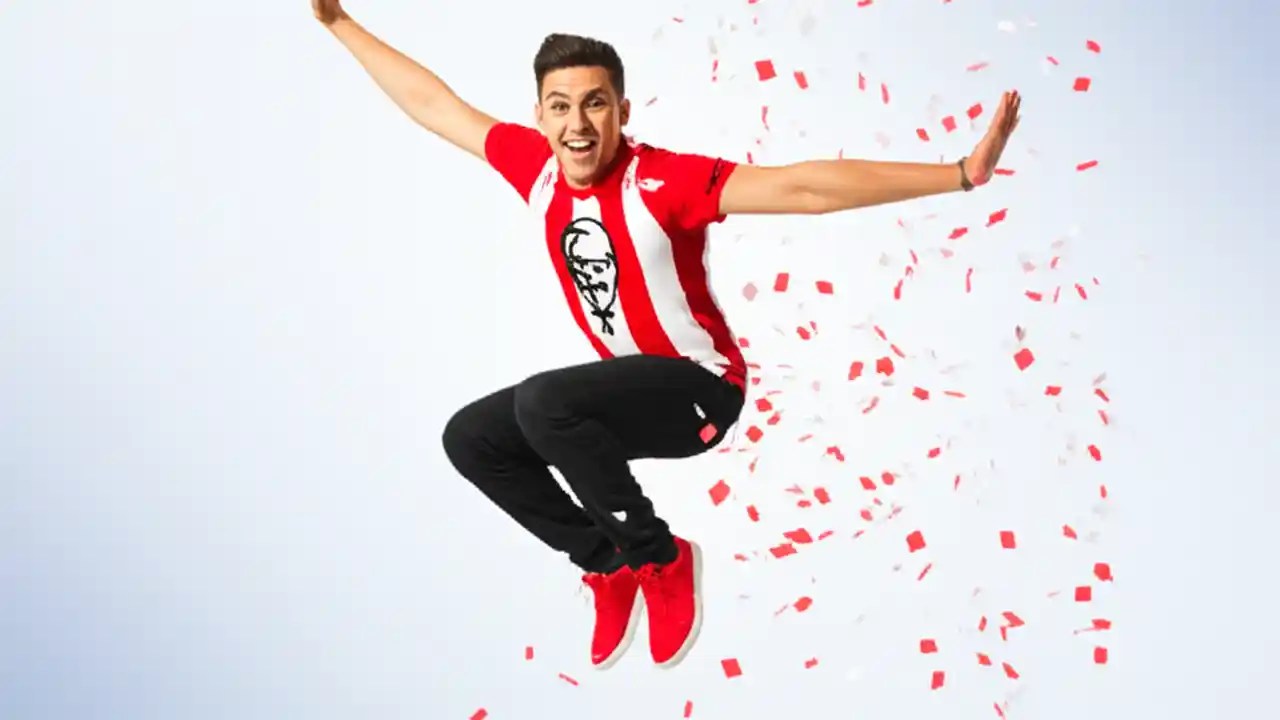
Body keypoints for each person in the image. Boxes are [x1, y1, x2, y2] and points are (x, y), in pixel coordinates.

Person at [311, 0, 1021, 671]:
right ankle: (606, 564)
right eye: (560, 108)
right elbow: (435, 106)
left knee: (541, 402)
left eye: (595, 104)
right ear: (540, 116)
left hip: (701, 394)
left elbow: (806, 188)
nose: (578, 124)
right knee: (471, 438)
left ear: (622, 110)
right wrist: (341, 22)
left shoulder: (664, 181)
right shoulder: (535, 169)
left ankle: (660, 556)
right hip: (619, 404)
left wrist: (961, 174)